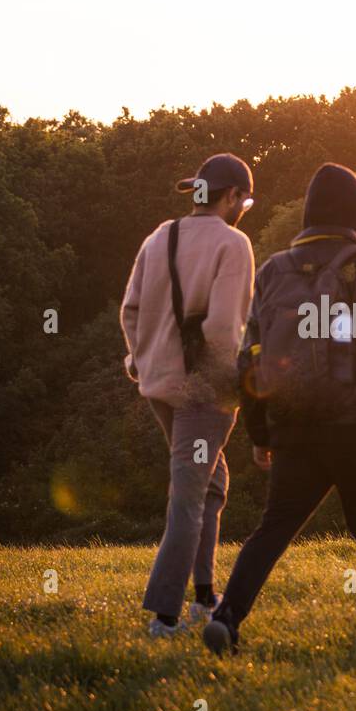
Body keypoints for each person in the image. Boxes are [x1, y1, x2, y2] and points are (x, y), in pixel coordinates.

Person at [203, 162, 356, 655]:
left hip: (292, 426)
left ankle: (228, 616)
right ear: (355, 214)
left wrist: (260, 434)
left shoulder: (275, 269)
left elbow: (250, 358)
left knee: (272, 529)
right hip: (354, 427)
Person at [121, 153, 257, 636]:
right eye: (246, 199)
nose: (246, 207)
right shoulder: (233, 244)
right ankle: (165, 615)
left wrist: (140, 362)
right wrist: (237, 384)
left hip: (158, 385)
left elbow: (131, 309)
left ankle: (203, 595)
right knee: (189, 496)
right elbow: (224, 326)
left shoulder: (161, 236)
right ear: (232, 196)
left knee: (211, 482)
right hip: (205, 389)